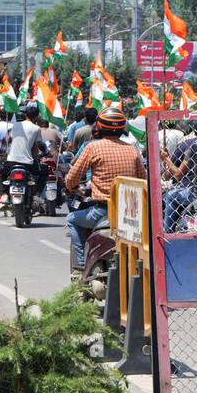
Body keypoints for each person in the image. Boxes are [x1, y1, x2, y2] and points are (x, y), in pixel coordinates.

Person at [65, 106, 145, 270]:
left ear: (99, 127)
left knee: (71, 219)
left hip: (102, 211)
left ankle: (80, 264)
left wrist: (73, 187)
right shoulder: (132, 150)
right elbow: (143, 180)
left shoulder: (93, 147)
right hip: (129, 214)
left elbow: (72, 178)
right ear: (123, 128)